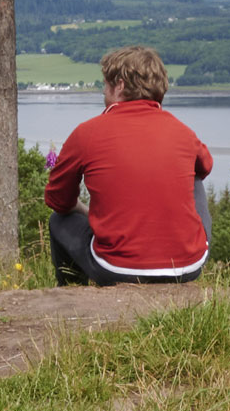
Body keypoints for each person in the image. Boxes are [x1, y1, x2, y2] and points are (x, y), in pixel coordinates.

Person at [44, 45, 212, 286]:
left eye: (105, 84)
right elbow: (205, 167)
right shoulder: (183, 132)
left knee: (58, 220)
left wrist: (88, 212)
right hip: (186, 268)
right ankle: (180, 251)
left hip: (115, 269)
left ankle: (71, 290)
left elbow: (56, 200)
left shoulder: (87, 133)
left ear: (120, 85)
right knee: (194, 174)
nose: (103, 91)